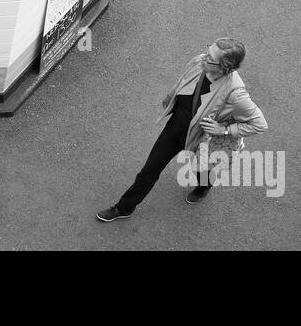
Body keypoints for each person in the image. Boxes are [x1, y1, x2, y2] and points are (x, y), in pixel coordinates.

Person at [97, 38, 267, 221]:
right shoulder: (200, 63)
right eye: (207, 51)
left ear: (224, 67)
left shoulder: (236, 93)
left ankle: (203, 188)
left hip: (202, 138)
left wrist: (223, 130)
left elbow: (260, 124)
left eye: (210, 57)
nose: (203, 57)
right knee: (149, 171)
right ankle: (123, 208)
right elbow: (183, 82)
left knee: (202, 170)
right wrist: (169, 99)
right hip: (176, 129)